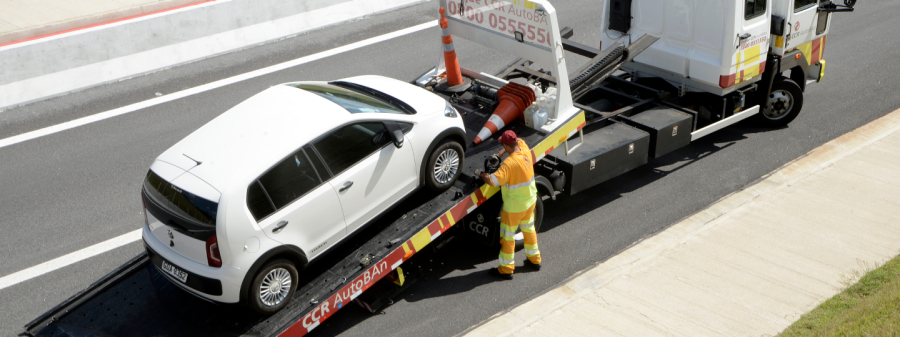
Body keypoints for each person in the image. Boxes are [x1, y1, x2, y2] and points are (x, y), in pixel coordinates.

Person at [478, 130, 541, 280]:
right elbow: (520, 139)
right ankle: (535, 261)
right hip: (530, 201)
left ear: (506, 145)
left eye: (503, 146)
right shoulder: (525, 150)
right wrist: (501, 152)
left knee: (507, 237)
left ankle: (506, 269)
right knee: (529, 229)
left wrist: (483, 175)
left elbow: (493, 181)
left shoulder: (509, 164)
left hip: (514, 208)